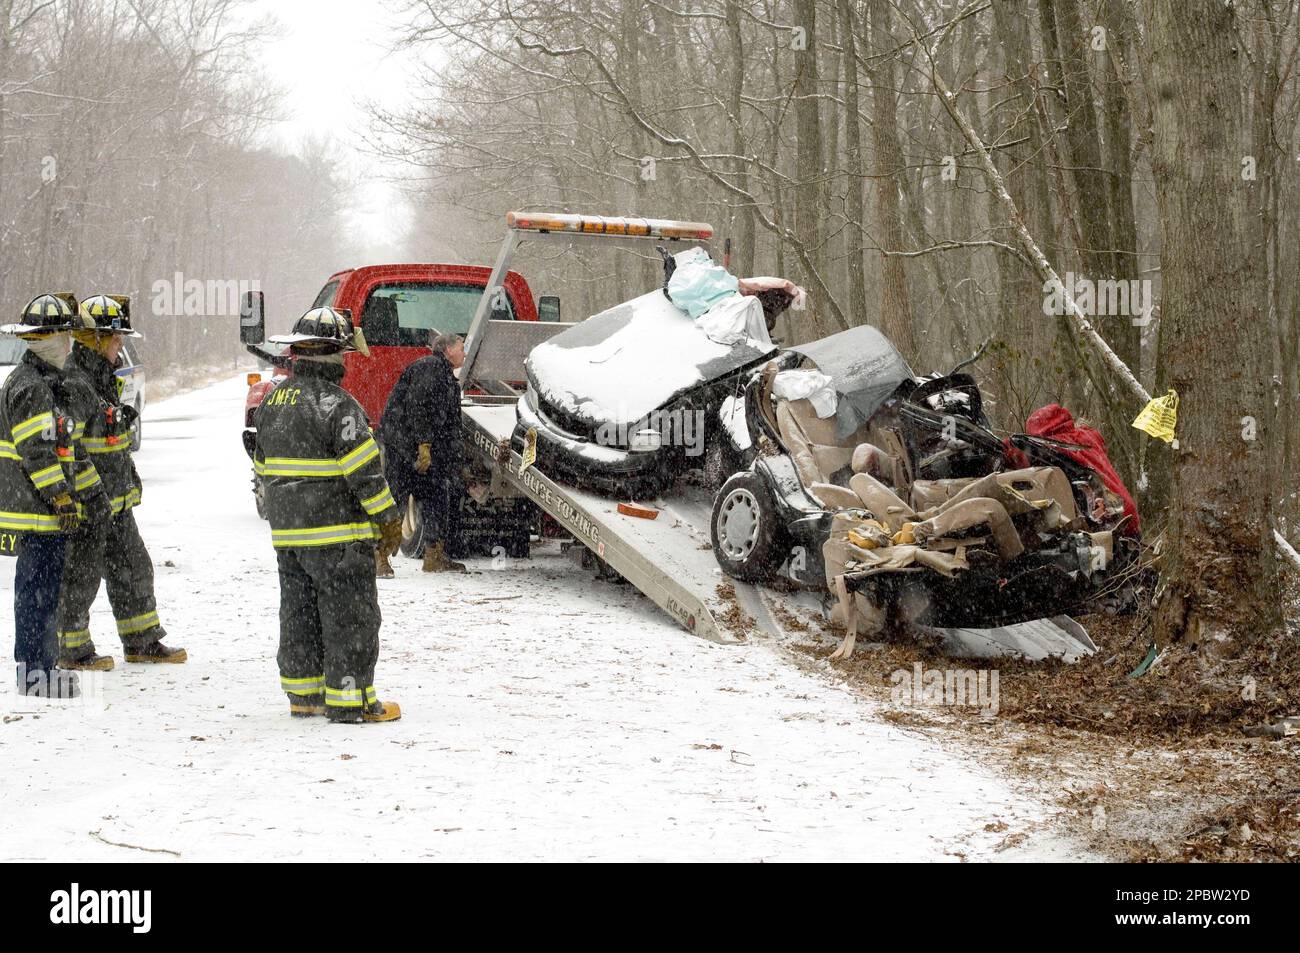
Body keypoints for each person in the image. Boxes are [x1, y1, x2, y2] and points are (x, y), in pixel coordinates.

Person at [254, 307, 403, 723]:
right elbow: (366, 474)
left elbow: (263, 469)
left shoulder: (272, 401)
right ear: (336, 353)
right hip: (337, 536)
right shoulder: (339, 406)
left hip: (289, 538)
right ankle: (351, 700)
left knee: (298, 612)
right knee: (350, 615)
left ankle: (304, 697)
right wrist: (388, 520)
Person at [56, 294, 185, 671]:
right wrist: (86, 494)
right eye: (115, 339)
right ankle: (73, 650)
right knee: (81, 577)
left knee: (134, 566)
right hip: (90, 503)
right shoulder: (76, 382)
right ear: (93, 340)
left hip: (115, 500)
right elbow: (71, 447)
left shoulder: (101, 377)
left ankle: (142, 641)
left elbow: (107, 438)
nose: (121, 345)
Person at [0, 294, 92, 697]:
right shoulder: (31, 386)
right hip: (36, 512)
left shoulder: (43, 381)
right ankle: (36, 674)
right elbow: (37, 451)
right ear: (48, 339)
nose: (69, 345)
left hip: (38, 511)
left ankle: (42, 667)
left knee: (42, 593)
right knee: (37, 596)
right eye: (65, 336)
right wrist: (61, 498)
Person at [379, 332, 466, 575]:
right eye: (461, 347)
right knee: (396, 499)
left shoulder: (446, 376)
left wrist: (453, 457)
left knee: (437, 498)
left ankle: (433, 557)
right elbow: (419, 405)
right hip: (405, 448)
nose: (464, 352)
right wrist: (423, 445)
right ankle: (379, 556)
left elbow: (448, 424)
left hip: (424, 450)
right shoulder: (430, 367)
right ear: (447, 349)